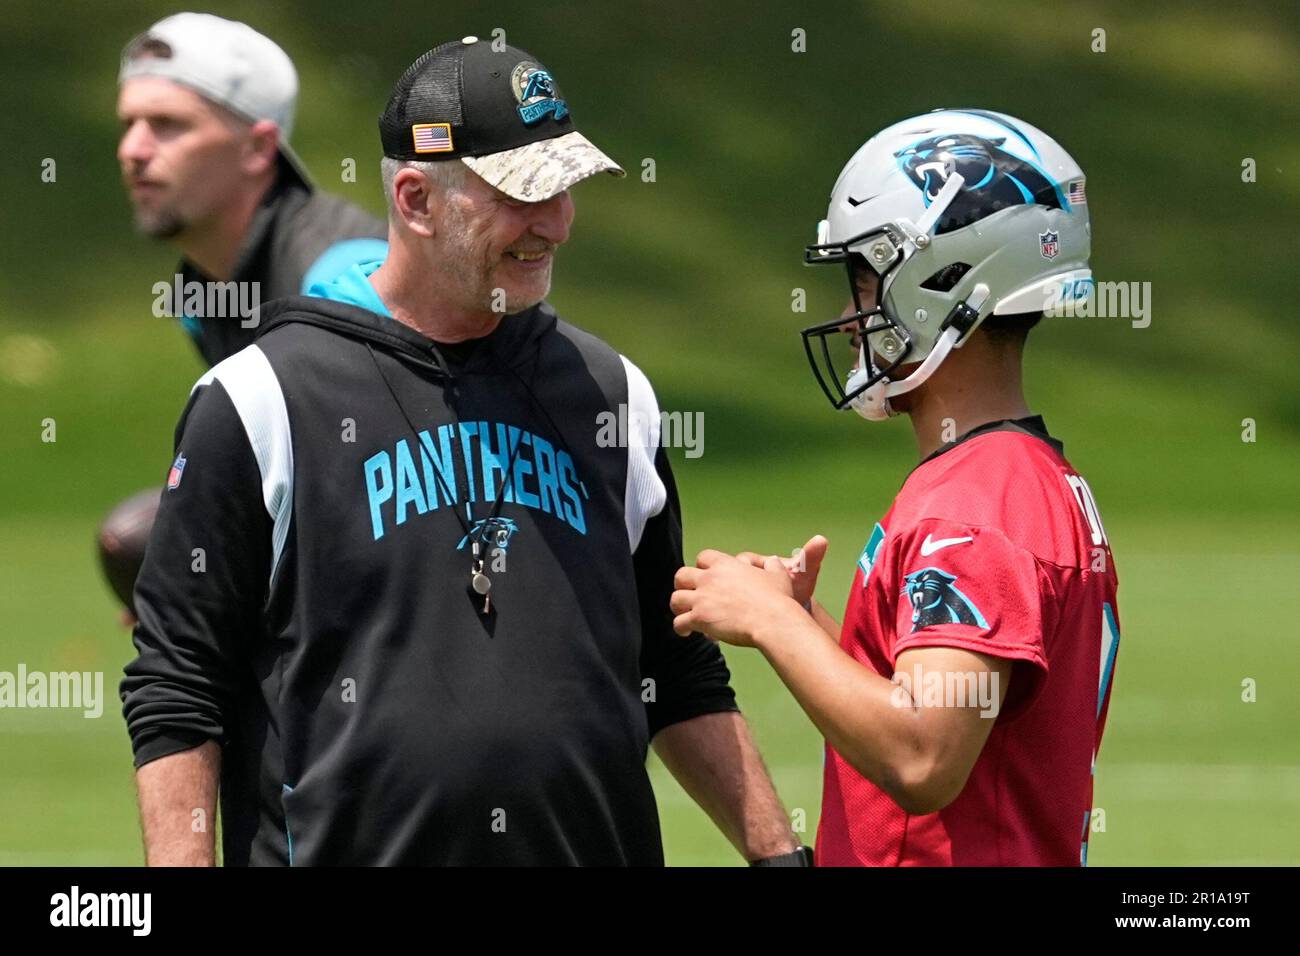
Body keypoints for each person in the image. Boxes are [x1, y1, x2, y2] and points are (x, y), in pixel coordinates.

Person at [120, 37, 804, 867]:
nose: (553, 224)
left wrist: (778, 855)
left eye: (564, 190)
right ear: (415, 198)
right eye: (520, 195)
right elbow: (179, 687)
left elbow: (675, 668)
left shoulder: (613, 395)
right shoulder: (260, 399)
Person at [670, 109, 1121, 866]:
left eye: (863, 282)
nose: (851, 319)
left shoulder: (976, 506)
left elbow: (922, 756)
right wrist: (809, 624)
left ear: (942, 279)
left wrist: (771, 629)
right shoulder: (1015, 477)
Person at [102, 13, 388, 623]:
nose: (133, 149)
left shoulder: (346, 282)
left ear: (259, 147)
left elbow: (417, 486)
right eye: (130, 123)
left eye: (168, 125)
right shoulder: (203, 298)